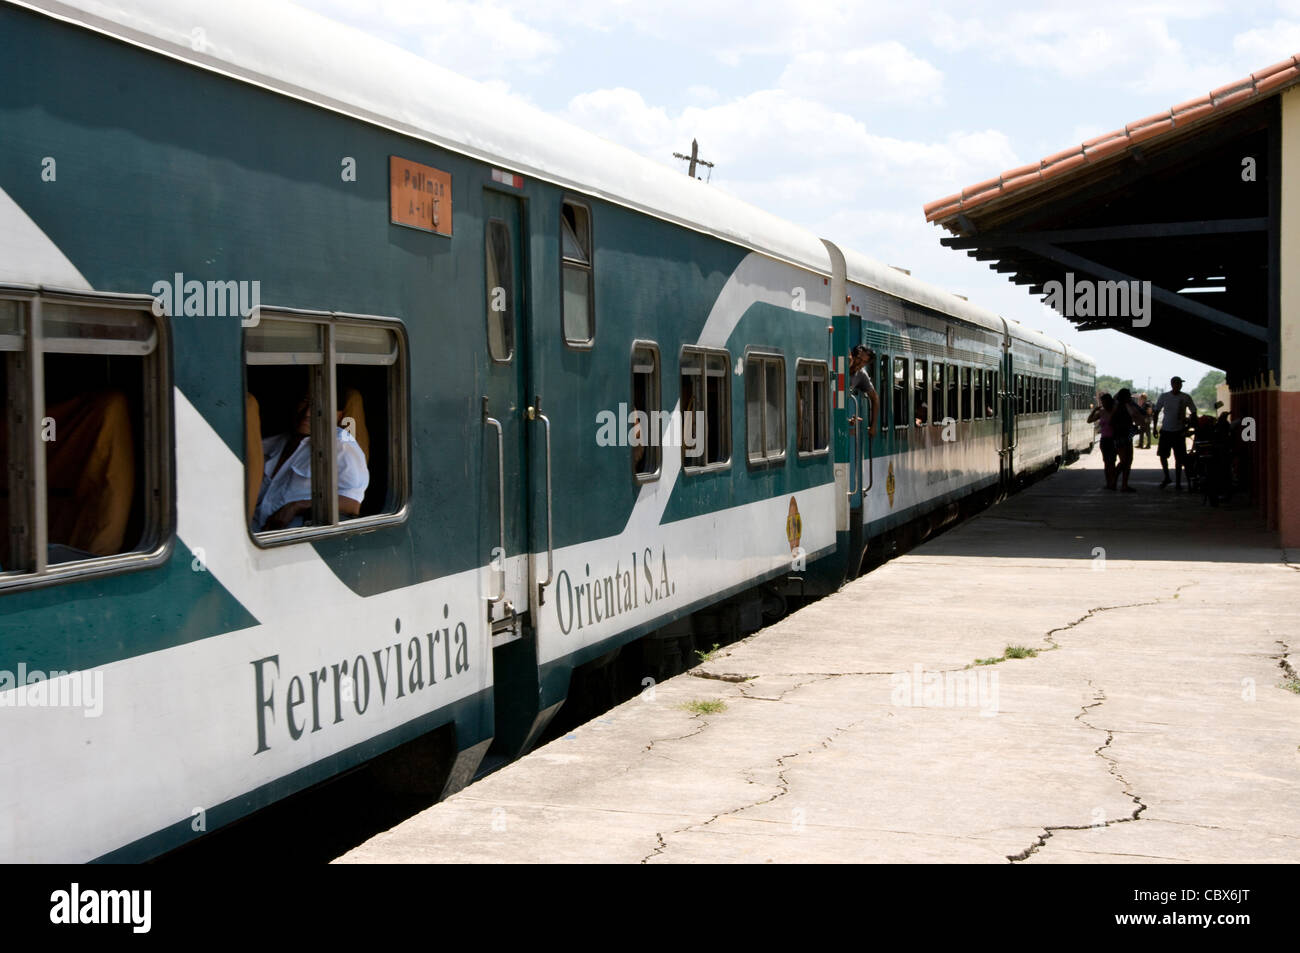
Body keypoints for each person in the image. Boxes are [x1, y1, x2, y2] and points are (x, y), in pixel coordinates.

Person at [253, 391, 369, 531]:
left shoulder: (341, 447)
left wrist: (296, 507)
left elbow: (351, 504)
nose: (307, 413)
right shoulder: (271, 444)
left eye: (318, 406)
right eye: (304, 401)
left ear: (338, 416)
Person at [1153, 376, 1197, 490]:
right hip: (1166, 431)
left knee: (1180, 458)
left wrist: (1188, 426)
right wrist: (1154, 428)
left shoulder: (1186, 397)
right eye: (1177, 383)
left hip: (1179, 432)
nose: (1179, 385)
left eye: (1180, 384)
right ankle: (1167, 477)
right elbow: (1156, 411)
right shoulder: (1164, 397)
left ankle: (1178, 482)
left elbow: (1194, 412)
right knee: (1163, 456)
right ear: (1172, 384)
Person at [1111, 388, 1144, 492]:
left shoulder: (1120, 405)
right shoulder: (1122, 406)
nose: (1130, 397)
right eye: (1128, 396)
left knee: (1128, 461)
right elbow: (1134, 415)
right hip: (1121, 436)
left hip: (1125, 435)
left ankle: (1122, 484)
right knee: (1125, 461)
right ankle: (1115, 482)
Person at [1087, 393, 1117, 490]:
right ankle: (1109, 483)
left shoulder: (1115, 411)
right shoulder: (1101, 412)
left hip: (1114, 440)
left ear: (1109, 401)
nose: (1103, 404)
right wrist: (1094, 411)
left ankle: (1113, 482)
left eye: (1104, 402)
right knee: (1106, 462)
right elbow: (1089, 420)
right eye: (1102, 402)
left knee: (1112, 462)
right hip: (1104, 440)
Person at [847, 344, 878, 438]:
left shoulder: (861, 374)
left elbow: (875, 398)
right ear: (852, 356)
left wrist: (873, 426)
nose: (860, 364)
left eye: (864, 362)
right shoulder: (841, 367)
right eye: (859, 359)